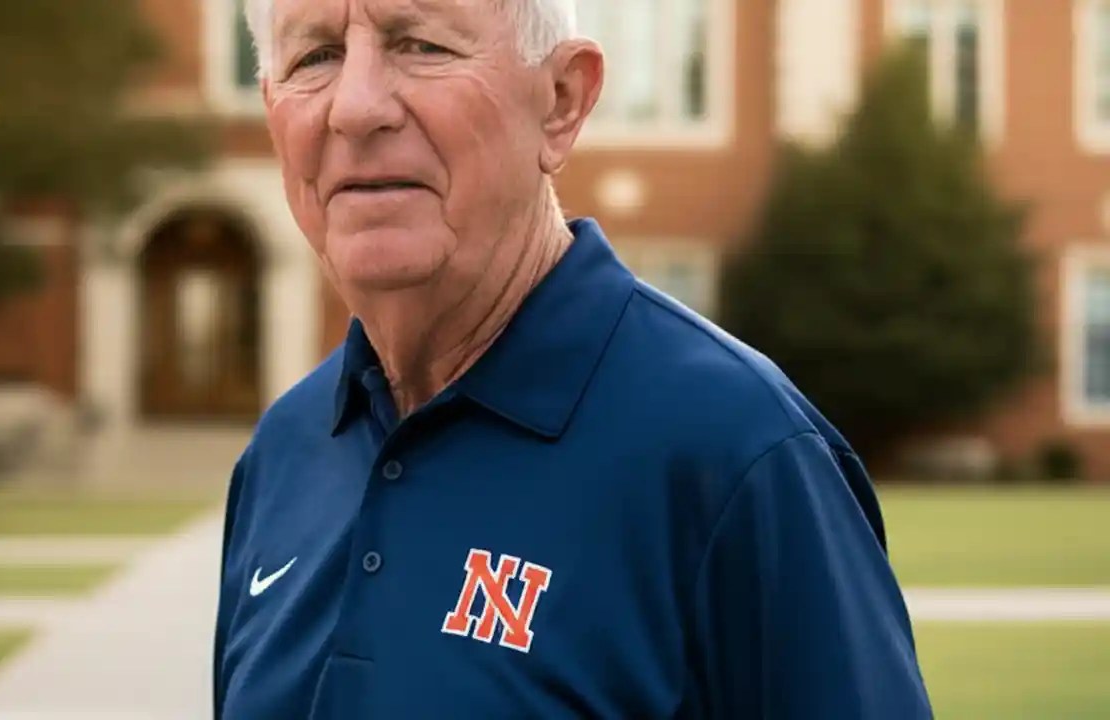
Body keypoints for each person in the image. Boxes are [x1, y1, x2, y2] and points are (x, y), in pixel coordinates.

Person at [213, 0, 933, 717]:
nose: (355, 108)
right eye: (315, 57)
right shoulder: (284, 450)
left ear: (561, 101)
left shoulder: (738, 453)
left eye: (421, 46)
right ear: (273, 108)